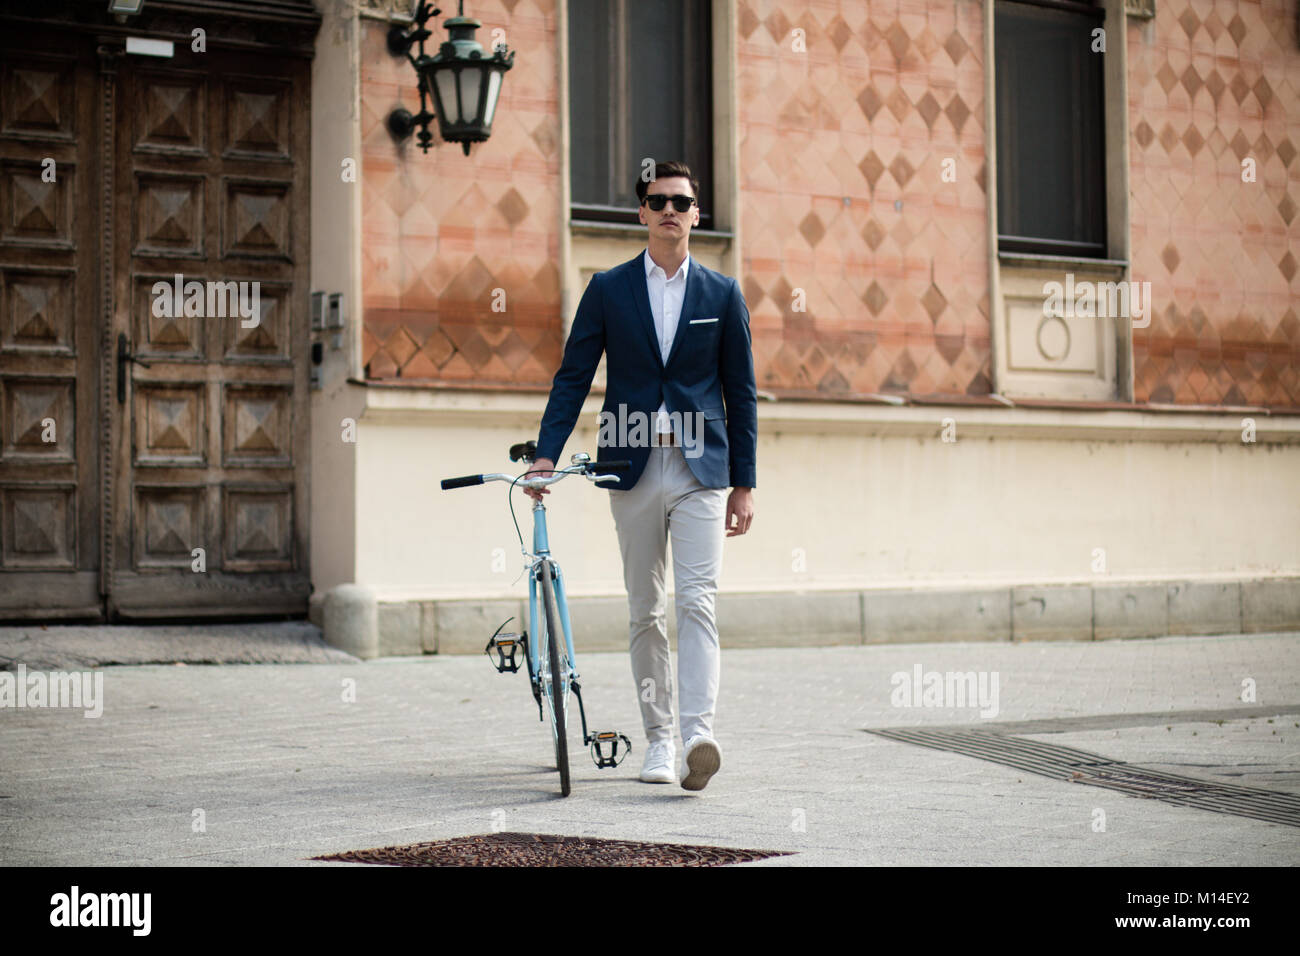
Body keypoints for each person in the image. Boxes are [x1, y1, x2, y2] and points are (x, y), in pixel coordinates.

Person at [524, 160, 757, 792]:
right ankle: (657, 740)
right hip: (629, 466)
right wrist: (546, 454)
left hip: (700, 470)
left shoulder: (722, 293)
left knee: (698, 602)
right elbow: (574, 376)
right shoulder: (608, 288)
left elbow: (741, 391)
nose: (670, 211)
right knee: (646, 609)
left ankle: (697, 736)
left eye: (682, 202)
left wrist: (745, 481)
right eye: (659, 201)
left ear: (696, 214)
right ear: (642, 213)